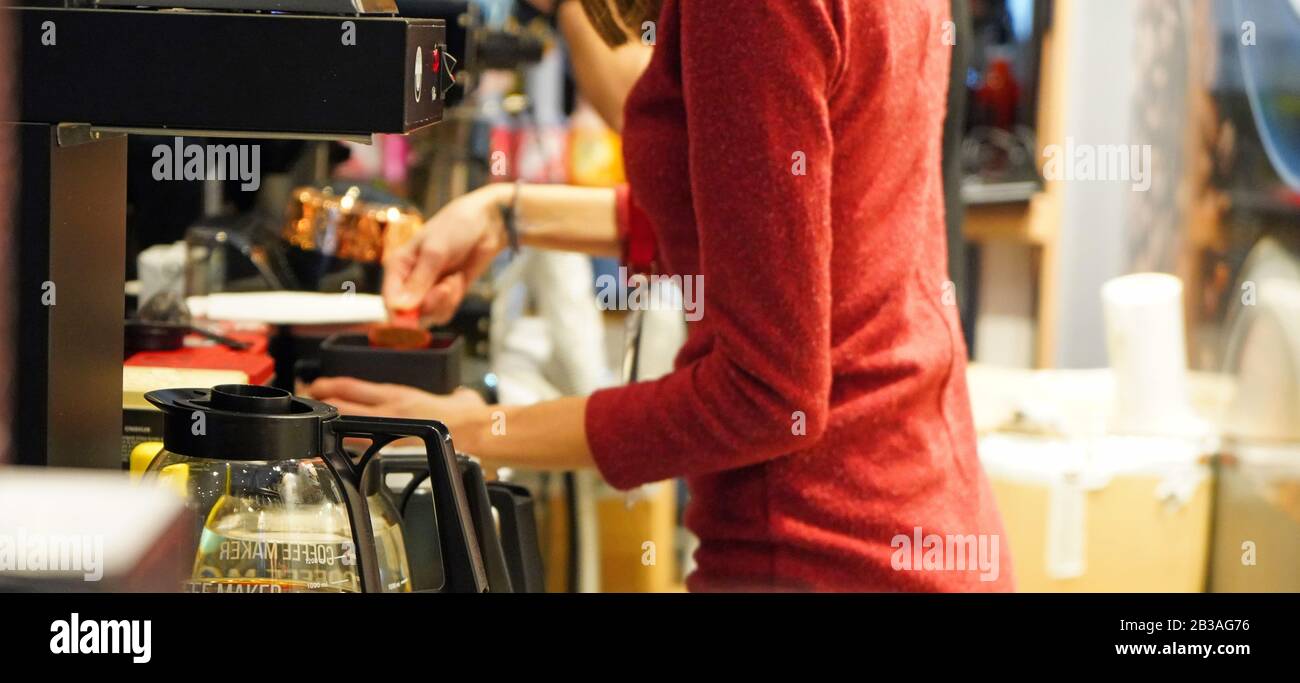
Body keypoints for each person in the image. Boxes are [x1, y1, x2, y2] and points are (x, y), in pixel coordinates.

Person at [308, 0, 1015, 592]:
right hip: (921, 518)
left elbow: (768, 395)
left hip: (823, 549)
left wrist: (471, 431)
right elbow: (783, 220)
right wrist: (508, 214)